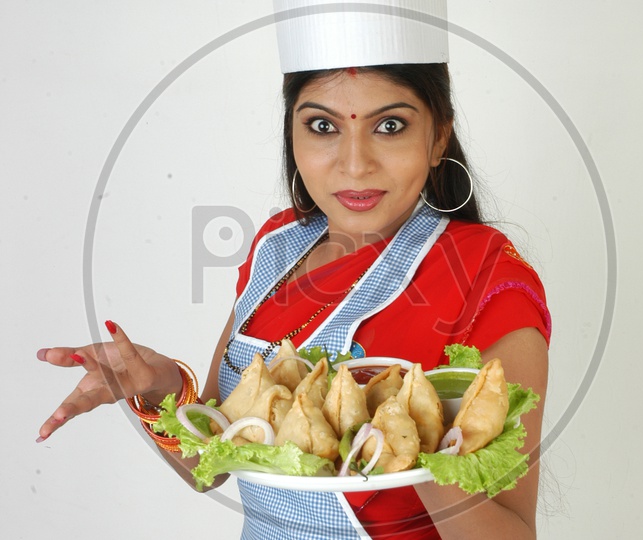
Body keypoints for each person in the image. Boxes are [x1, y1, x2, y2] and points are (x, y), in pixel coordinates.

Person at [36, 1, 550, 538]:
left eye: (390, 125)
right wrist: (156, 390)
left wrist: (417, 436)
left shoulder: (486, 276)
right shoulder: (276, 249)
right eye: (323, 125)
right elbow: (210, 468)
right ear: (292, 132)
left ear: (439, 135)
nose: (355, 163)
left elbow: (511, 532)